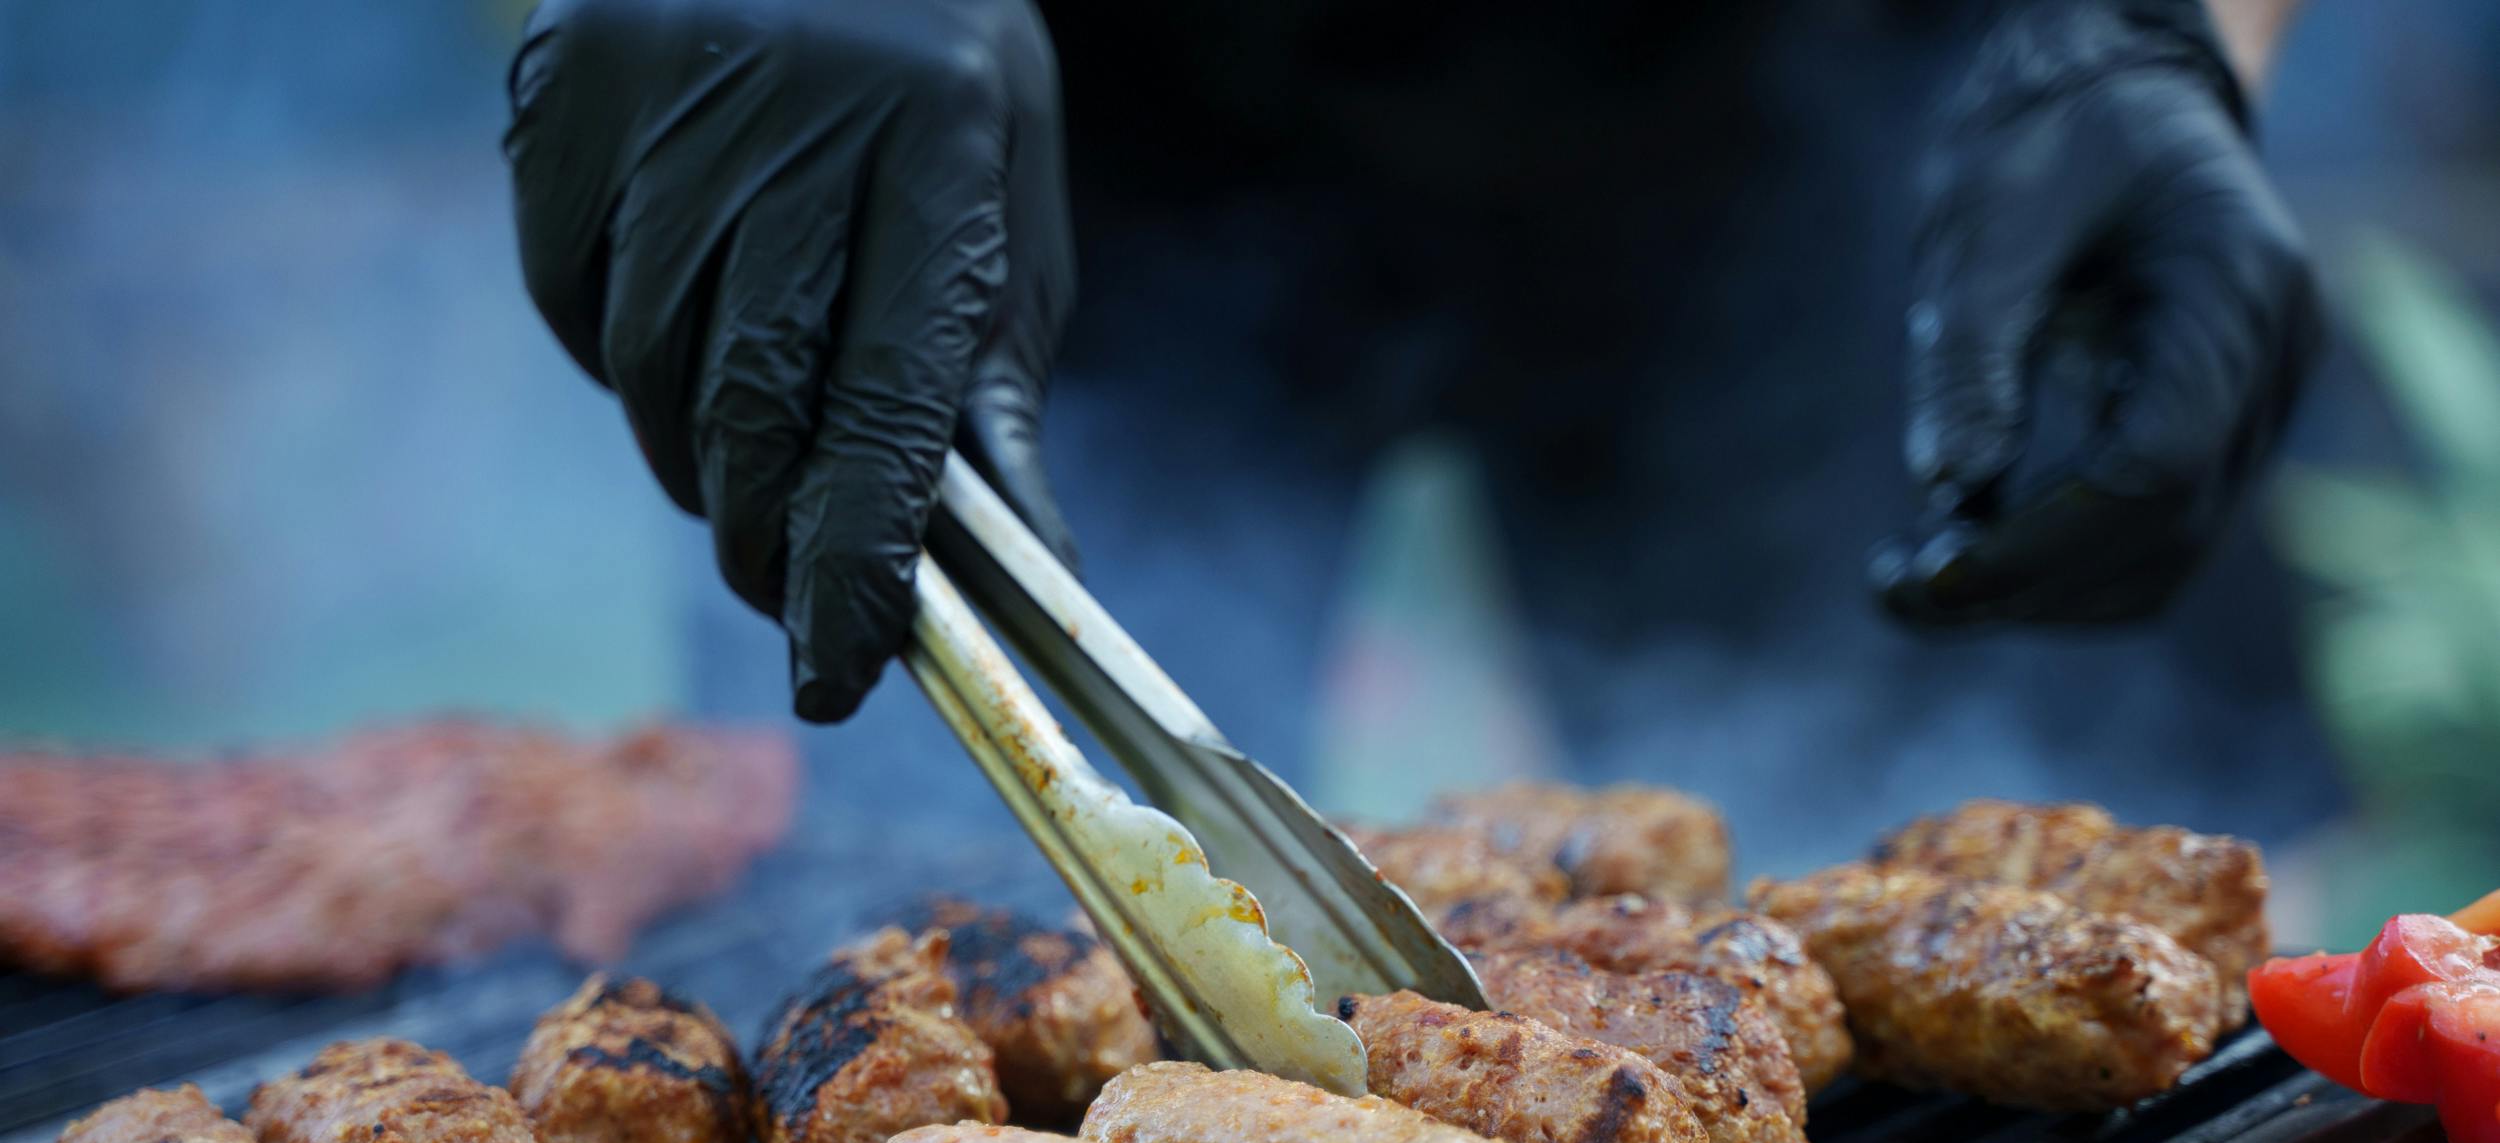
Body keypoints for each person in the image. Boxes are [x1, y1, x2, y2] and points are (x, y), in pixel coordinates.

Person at [504, 0, 2320, 726]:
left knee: (1956, 810)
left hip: (1818, 90)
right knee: (925, 903)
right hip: (1012, 86)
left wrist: (2167, 29)